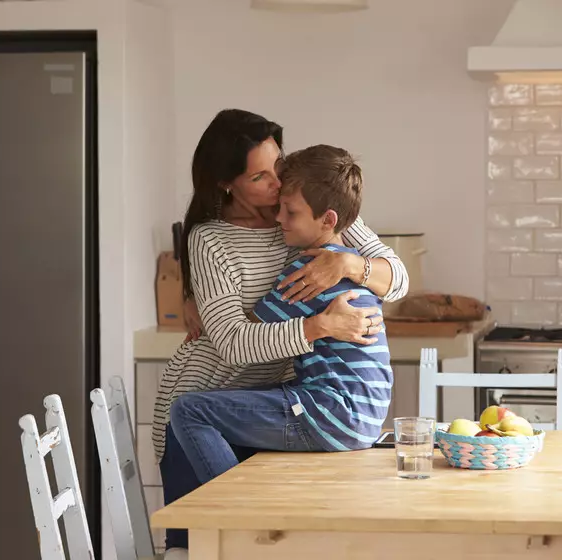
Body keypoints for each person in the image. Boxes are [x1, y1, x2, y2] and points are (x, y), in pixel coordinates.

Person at [153, 109, 409, 556]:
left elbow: (399, 279)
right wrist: (317, 326)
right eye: (260, 178)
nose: (277, 185)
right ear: (225, 183)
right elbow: (232, 343)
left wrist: (350, 264)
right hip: (209, 398)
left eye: (278, 166)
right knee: (206, 548)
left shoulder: (306, 205)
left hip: (275, 401)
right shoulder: (211, 240)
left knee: (269, 540)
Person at [169, 144, 392, 485]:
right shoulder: (348, 263)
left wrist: (206, 302)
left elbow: (245, 334)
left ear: (328, 220)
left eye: (290, 212)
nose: (278, 218)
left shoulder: (308, 274)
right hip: (363, 416)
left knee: (189, 410)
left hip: (330, 412)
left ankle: (232, 514)